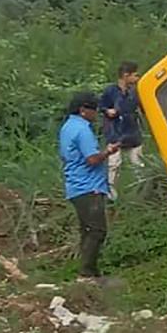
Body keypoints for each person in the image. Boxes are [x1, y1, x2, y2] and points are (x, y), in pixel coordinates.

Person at [60, 92, 119, 281]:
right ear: (83, 110)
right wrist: (108, 151)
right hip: (89, 186)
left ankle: (89, 273)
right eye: (94, 109)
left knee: (87, 230)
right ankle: (86, 273)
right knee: (97, 230)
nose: (96, 113)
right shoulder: (82, 129)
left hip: (75, 185)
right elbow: (92, 159)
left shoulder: (67, 127)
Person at [100, 62, 144, 198]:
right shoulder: (111, 91)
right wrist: (108, 111)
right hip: (115, 131)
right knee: (114, 165)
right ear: (126, 75)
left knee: (138, 164)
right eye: (135, 75)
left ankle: (142, 192)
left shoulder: (135, 92)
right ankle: (111, 195)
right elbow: (101, 106)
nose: (137, 78)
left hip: (132, 132)